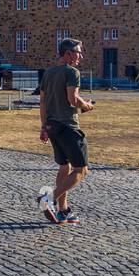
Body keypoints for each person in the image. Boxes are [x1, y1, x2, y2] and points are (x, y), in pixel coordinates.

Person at [36, 38, 94, 224]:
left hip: (53, 127)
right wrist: (86, 105)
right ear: (68, 53)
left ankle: (63, 211)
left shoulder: (49, 72)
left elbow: (43, 102)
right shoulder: (72, 72)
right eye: (78, 52)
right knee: (81, 170)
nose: (80, 56)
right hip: (68, 127)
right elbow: (72, 98)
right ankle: (49, 198)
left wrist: (44, 126)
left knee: (64, 166)